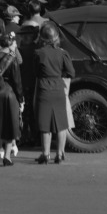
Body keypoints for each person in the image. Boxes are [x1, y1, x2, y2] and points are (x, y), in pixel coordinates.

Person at [33, 22, 75, 165]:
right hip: (58, 88)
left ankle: (45, 154)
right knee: (61, 123)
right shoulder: (63, 53)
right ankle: (60, 153)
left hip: (44, 88)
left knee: (45, 124)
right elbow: (71, 72)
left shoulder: (39, 53)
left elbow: (35, 72)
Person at [0, 31, 24, 166]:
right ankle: (7, 156)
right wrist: (21, 99)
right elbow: (17, 81)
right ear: (11, 43)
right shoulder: (12, 58)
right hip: (9, 93)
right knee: (9, 125)